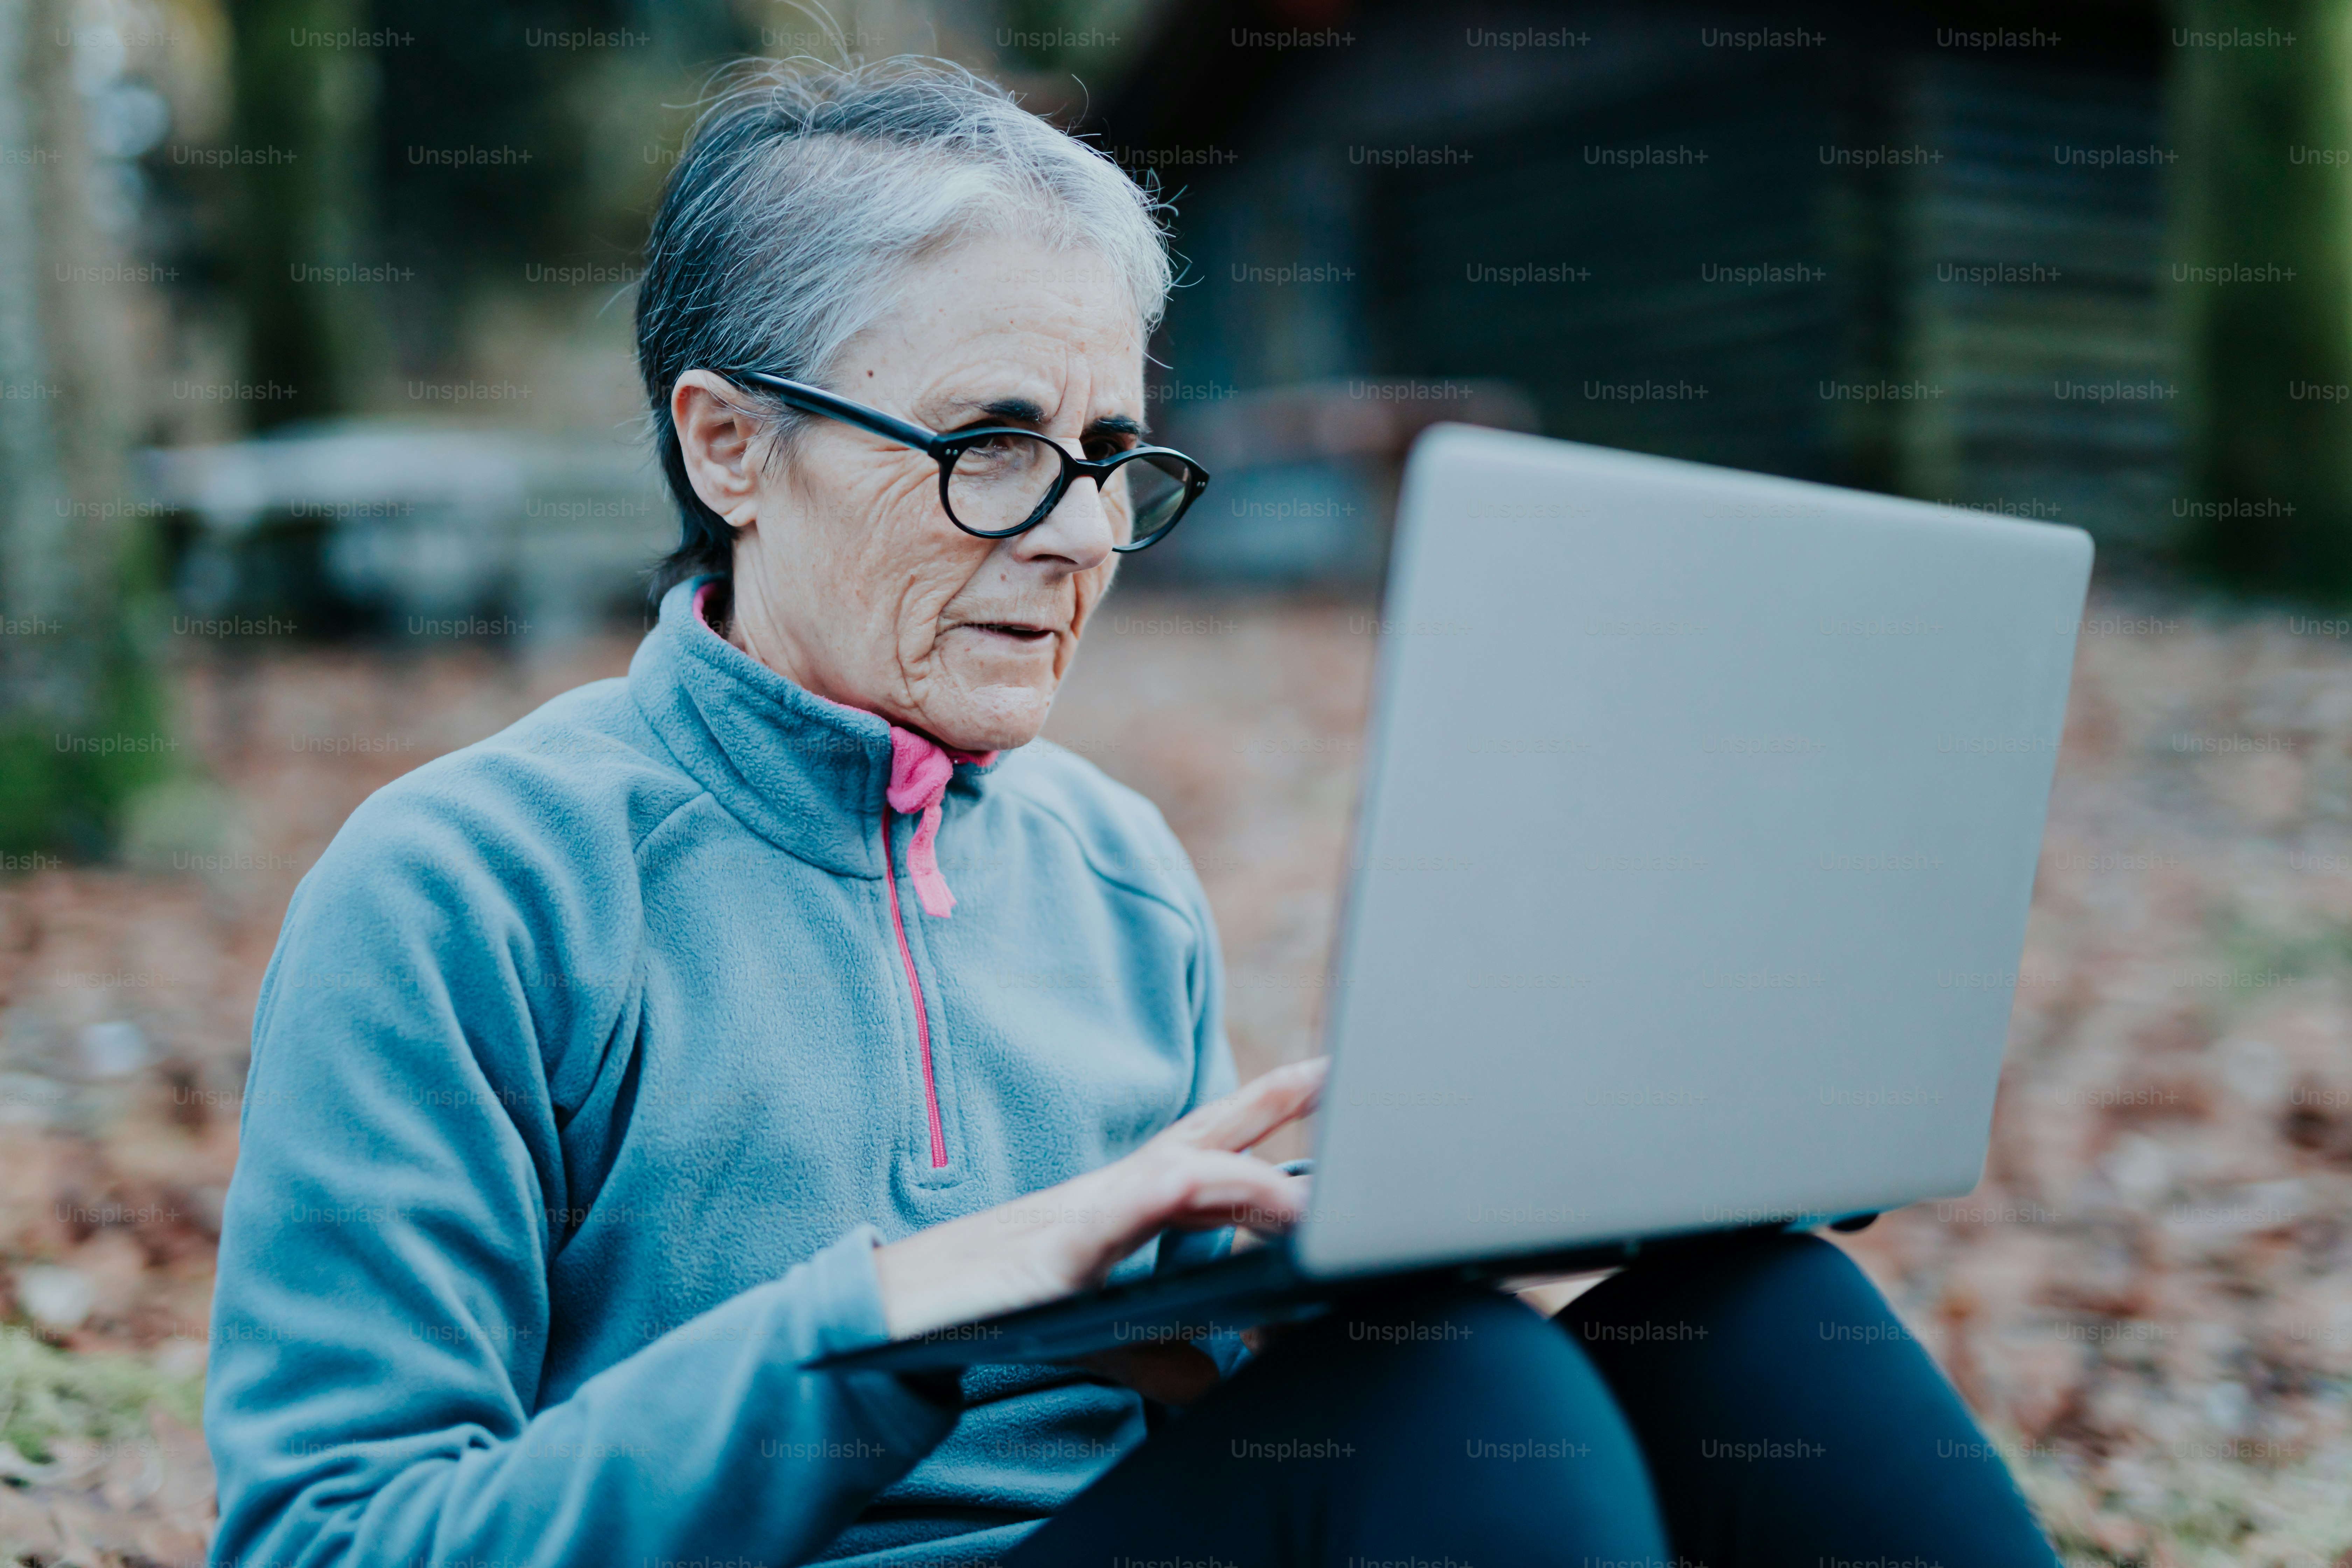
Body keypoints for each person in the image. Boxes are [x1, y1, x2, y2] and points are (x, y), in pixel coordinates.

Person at [202, 56, 2063, 1568]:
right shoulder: (461, 891)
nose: (1086, 537)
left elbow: (1179, 1382)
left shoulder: (1110, 870)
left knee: (1727, 1308)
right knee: (1447, 1399)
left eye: (1110, 458)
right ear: (728, 445)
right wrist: (896, 1313)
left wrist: (1358, 1259)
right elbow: (334, 1542)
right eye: (997, 447)